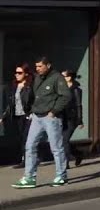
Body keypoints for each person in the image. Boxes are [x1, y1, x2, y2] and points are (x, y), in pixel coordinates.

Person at [12, 57, 72, 188]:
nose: (37, 69)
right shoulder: (37, 78)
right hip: (37, 116)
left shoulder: (57, 78)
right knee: (30, 145)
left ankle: (61, 175)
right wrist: (31, 110)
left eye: (40, 66)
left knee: (56, 147)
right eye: (36, 66)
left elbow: (66, 96)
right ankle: (29, 177)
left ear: (48, 65)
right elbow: (32, 95)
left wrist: (54, 111)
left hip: (51, 117)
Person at [4, 63, 34, 168]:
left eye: (19, 73)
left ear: (26, 74)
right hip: (17, 116)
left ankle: (26, 160)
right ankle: (25, 158)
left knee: (26, 138)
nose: (17, 74)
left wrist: (32, 113)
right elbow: (11, 103)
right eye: (16, 73)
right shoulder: (14, 86)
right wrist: (4, 116)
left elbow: (34, 101)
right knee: (20, 138)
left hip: (27, 116)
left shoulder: (30, 86)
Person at [60, 69, 84, 167]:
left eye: (63, 76)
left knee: (64, 139)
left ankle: (65, 162)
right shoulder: (61, 88)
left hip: (71, 118)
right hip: (62, 117)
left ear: (69, 77)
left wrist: (80, 120)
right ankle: (78, 154)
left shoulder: (76, 90)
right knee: (62, 140)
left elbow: (79, 105)